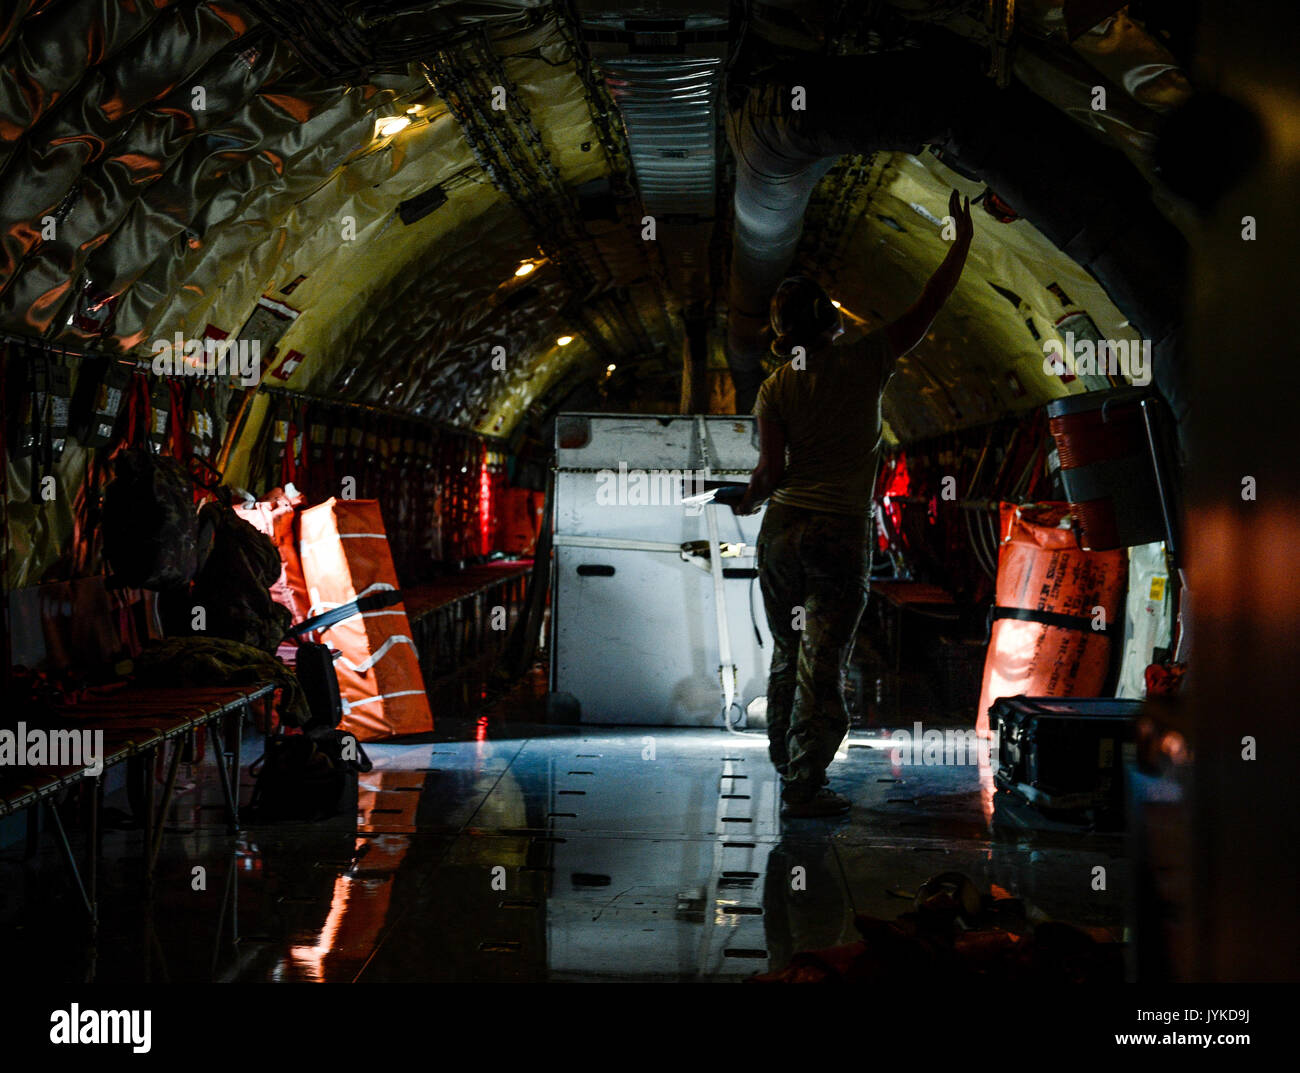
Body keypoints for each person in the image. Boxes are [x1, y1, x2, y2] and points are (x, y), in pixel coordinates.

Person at [733, 189, 974, 818]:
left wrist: (744, 498)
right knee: (824, 657)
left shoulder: (775, 386)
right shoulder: (867, 360)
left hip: (782, 529)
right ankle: (806, 784)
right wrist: (961, 245)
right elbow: (928, 305)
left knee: (787, 652)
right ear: (829, 320)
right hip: (838, 532)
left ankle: (787, 766)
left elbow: (769, 472)